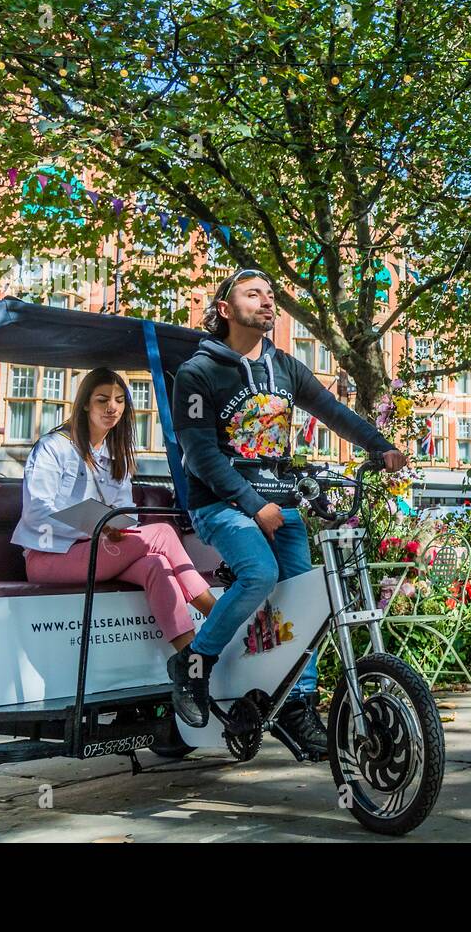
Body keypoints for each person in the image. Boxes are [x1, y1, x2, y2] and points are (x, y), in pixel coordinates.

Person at [169, 268, 408, 754]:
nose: (267, 301)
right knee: (258, 573)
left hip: (278, 504)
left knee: (306, 597)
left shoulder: (285, 367)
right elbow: (200, 456)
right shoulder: (198, 373)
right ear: (224, 309)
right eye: (253, 294)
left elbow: (334, 413)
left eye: (271, 295)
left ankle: (296, 703)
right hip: (222, 505)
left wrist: (380, 447)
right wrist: (255, 507)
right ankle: (194, 664)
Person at [12, 368, 216, 650]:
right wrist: (96, 526)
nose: (113, 407)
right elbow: (37, 512)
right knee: (163, 534)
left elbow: (125, 513)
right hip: (50, 556)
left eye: (120, 400)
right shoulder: (52, 447)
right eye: (102, 399)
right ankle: (220, 619)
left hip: (100, 551)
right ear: (85, 403)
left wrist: (115, 528)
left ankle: (193, 660)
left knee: (157, 565)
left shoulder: (114, 453)